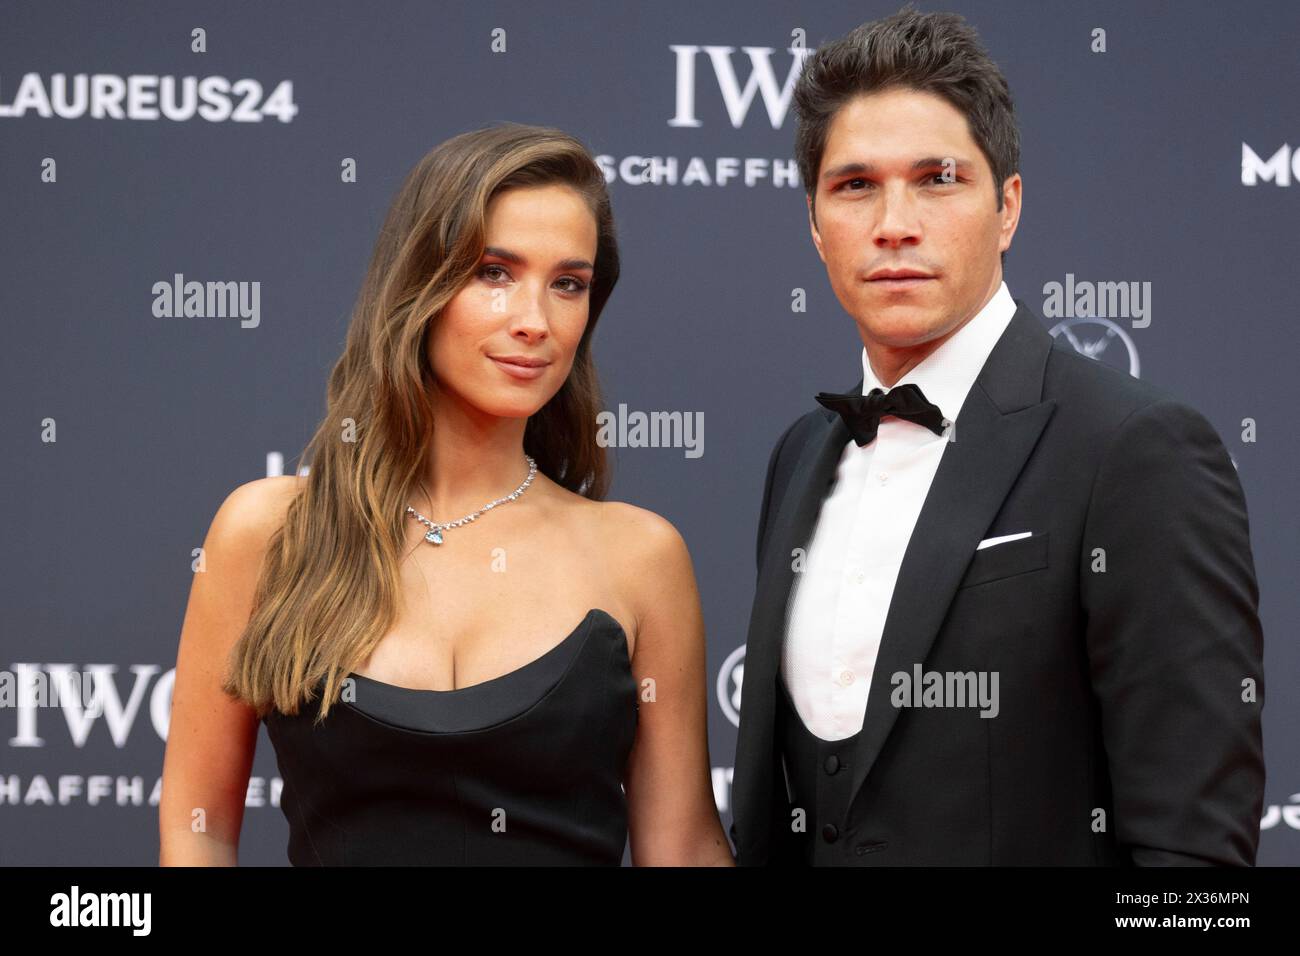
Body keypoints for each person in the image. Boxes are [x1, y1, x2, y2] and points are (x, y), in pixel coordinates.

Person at [730, 9, 1265, 866]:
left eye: (937, 179)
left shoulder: (1135, 449)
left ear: (1007, 207)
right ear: (814, 224)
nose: (894, 223)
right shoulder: (800, 456)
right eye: (855, 185)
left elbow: (1194, 862)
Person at [159, 123, 733, 866]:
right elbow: (198, 828)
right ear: (418, 283)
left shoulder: (640, 555)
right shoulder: (266, 532)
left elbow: (681, 847)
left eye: (569, 284)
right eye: (494, 272)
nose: (534, 321)